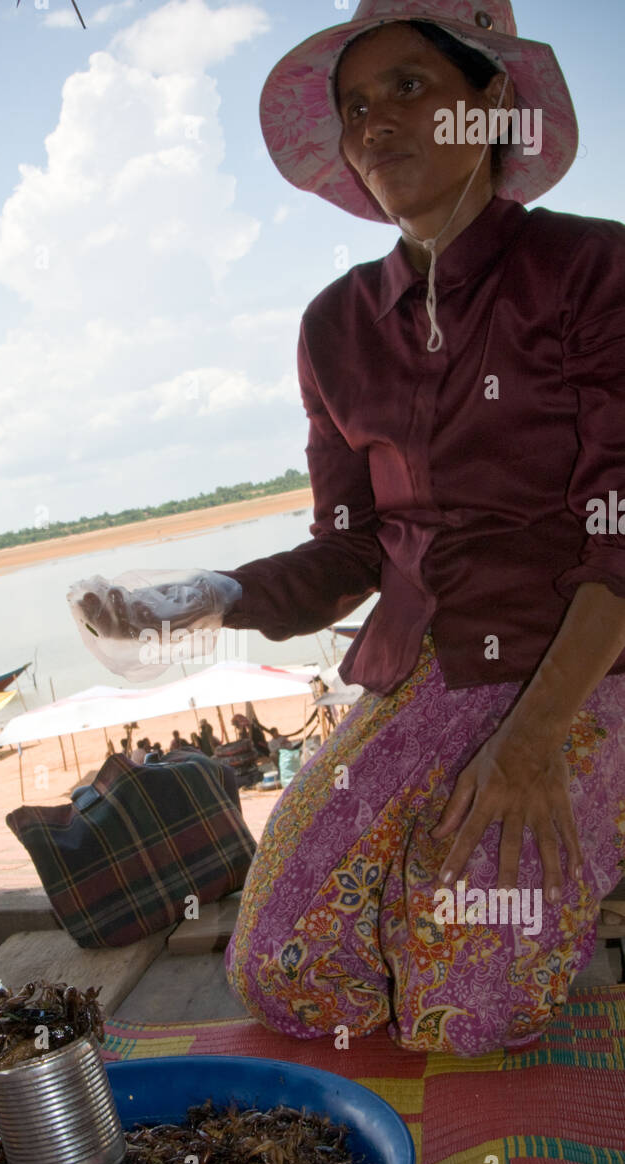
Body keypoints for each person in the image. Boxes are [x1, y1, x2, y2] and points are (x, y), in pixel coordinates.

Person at [69, 0, 625, 1057]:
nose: (372, 123)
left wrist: (534, 741)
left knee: (470, 996)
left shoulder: (592, 271)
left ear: (488, 105)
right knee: (279, 966)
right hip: (417, 676)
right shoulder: (331, 327)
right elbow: (346, 547)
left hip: (580, 669)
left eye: (408, 88)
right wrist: (195, 596)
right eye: (354, 106)